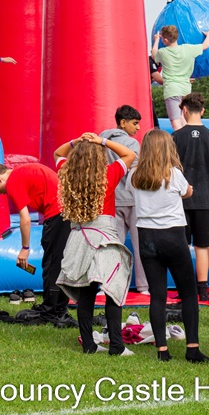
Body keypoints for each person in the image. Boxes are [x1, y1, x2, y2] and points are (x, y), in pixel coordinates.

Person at [128, 129, 209, 363]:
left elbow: (131, 194)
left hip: (146, 236)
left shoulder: (134, 175)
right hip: (173, 235)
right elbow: (187, 192)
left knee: (157, 295)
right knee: (188, 292)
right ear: (168, 149)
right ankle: (192, 347)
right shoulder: (173, 174)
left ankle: (162, 350)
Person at [55, 132, 136, 355]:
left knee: (86, 292)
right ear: (100, 157)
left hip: (78, 239)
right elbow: (129, 153)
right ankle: (117, 346)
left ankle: (90, 344)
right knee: (113, 290)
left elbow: (58, 153)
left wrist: (76, 141)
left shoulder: (67, 175)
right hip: (104, 239)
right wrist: (101, 141)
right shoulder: (108, 174)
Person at [0, 161, 73, 325]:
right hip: (66, 211)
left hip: (57, 214)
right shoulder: (24, 171)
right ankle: (57, 308)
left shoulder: (13, 182)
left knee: (52, 264)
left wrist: (25, 248)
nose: (0, 193)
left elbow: (25, 218)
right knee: (59, 263)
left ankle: (52, 311)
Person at [171, 92, 209, 303]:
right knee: (203, 246)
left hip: (180, 200)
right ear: (202, 111)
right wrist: (205, 172)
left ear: (184, 110)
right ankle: (202, 290)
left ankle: (185, 289)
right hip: (204, 198)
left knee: (182, 245)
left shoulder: (176, 136)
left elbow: (170, 167)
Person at [101, 105, 147, 295]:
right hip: (133, 200)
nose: (137, 128)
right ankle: (144, 287)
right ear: (123, 123)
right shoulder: (132, 144)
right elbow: (135, 172)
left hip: (113, 200)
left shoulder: (102, 140)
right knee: (140, 246)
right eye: (135, 124)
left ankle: (109, 286)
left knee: (113, 248)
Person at [151, 25, 209, 130]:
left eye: (162, 38)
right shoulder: (188, 49)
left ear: (165, 40)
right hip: (186, 89)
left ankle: (181, 142)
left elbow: (154, 55)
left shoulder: (163, 52)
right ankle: (189, 140)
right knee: (184, 119)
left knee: (175, 121)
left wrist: (156, 41)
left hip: (172, 90)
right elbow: (205, 46)